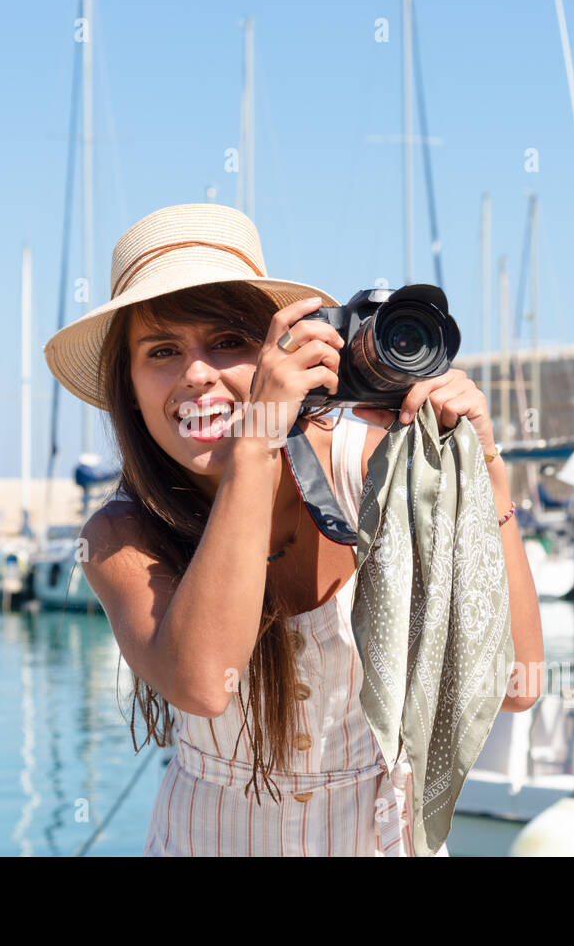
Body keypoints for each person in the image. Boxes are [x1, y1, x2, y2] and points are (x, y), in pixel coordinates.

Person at [44, 203, 543, 856]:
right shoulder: (118, 534)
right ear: (129, 387)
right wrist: (256, 442)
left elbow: (516, 685)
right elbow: (201, 682)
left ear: (272, 351)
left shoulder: (362, 468)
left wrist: (488, 478)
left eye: (226, 341)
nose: (197, 372)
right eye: (162, 351)